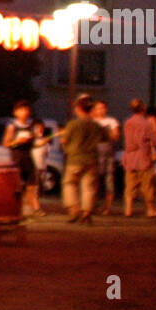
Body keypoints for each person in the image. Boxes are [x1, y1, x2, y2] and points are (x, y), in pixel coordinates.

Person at [60, 94, 103, 223]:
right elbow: (107, 137)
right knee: (88, 186)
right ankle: (87, 212)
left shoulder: (73, 124)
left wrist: (63, 138)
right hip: (91, 159)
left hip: (75, 159)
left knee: (70, 184)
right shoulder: (96, 125)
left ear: (78, 108)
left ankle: (74, 209)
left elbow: (65, 140)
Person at [122, 99, 156, 217]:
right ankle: (150, 210)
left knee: (130, 184)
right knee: (147, 184)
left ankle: (128, 209)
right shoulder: (147, 124)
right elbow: (155, 141)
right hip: (143, 156)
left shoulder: (128, 122)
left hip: (130, 156)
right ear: (143, 109)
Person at [3, 101, 41, 216]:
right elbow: (6, 143)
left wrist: (34, 139)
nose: (24, 113)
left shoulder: (31, 126)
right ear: (16, 112)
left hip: (28, 158)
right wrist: (17, 142)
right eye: (21, 110)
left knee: (31, 185)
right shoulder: (12, 126)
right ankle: (14, 210)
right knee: (16, 186)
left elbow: (35, 142)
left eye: (26, 110)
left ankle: (28, 211)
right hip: (16, 159)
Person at [91, 100, 120, 215]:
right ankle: (92, 205)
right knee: (94, 180)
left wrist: (106, 134)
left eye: (103, 107)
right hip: (94, 154)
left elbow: (116, 135)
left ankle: (107, 208)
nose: (101, 110)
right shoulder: (91, 122)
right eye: (98, 108)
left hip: (108, 154)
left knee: (109, 180)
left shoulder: (111, 121)